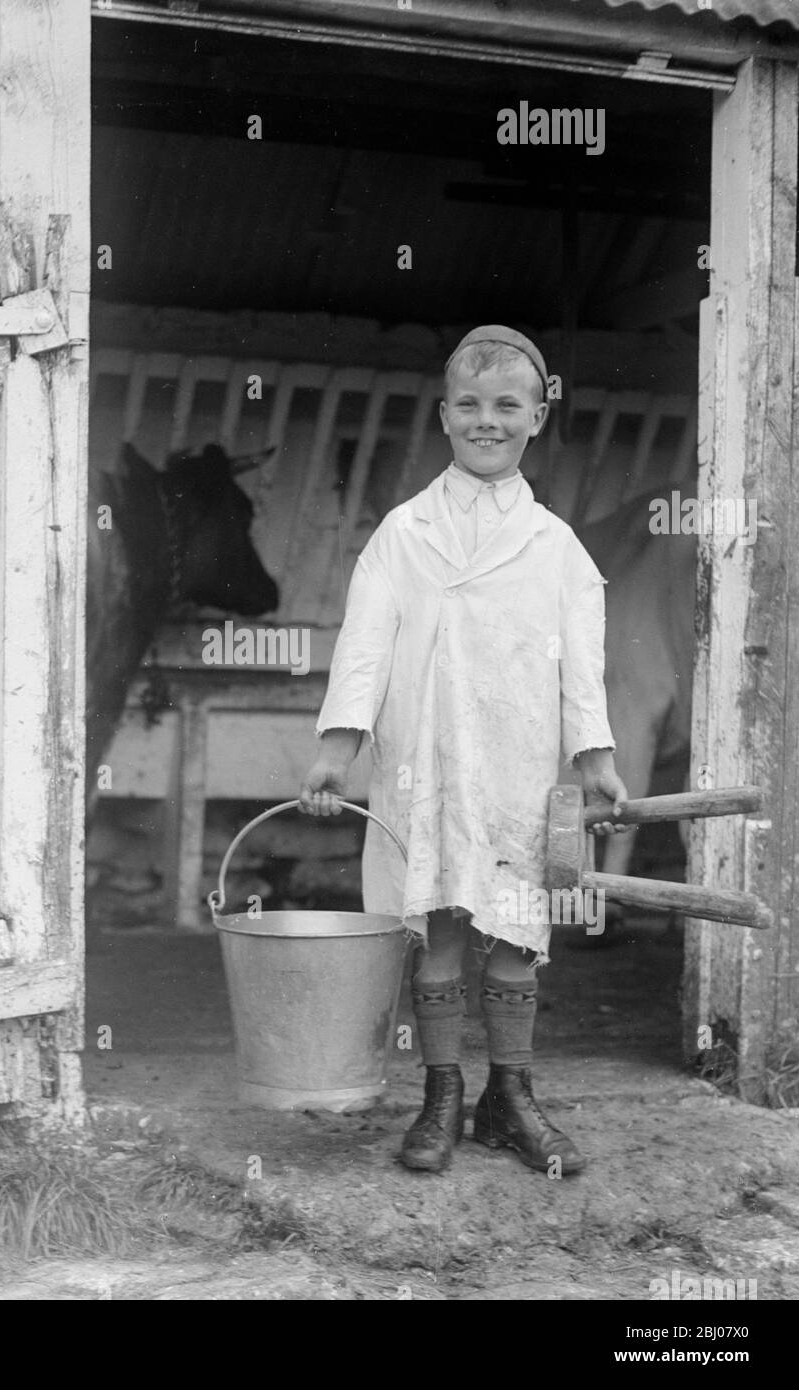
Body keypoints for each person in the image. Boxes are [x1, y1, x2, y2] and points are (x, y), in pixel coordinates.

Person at [299, 325, 628, 1175]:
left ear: (538, 416)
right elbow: (364, 650)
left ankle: (510, 1098)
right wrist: (338, 751)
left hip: (522, 768)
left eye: (507, 406)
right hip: (425, 765)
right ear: (445, 416)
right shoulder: (403, 535)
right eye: (471, 406)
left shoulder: (556, 547)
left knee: (518, 927)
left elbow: (583, 666)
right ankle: (441, 1093)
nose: (489, 421)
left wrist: (595, 761)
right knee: (440, 917)